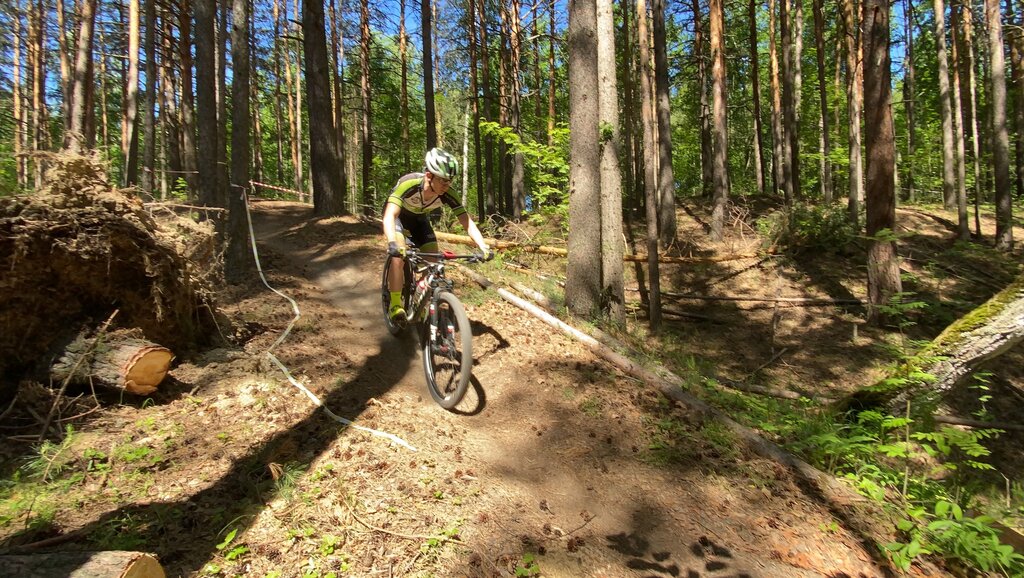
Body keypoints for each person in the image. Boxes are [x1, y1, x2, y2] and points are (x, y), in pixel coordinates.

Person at [383, 147, 492, 321]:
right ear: (429, 175)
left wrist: (483, 245)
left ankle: (421, 297)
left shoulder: (448, 194)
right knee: (398, 256)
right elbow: (390, 214)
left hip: (419, 221)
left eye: (449, 181)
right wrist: (392, 243)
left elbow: (467, 222)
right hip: (398, 218)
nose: (446, 185)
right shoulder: (409, 184)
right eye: (442, 181)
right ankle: (395, 304)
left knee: (433, 260)